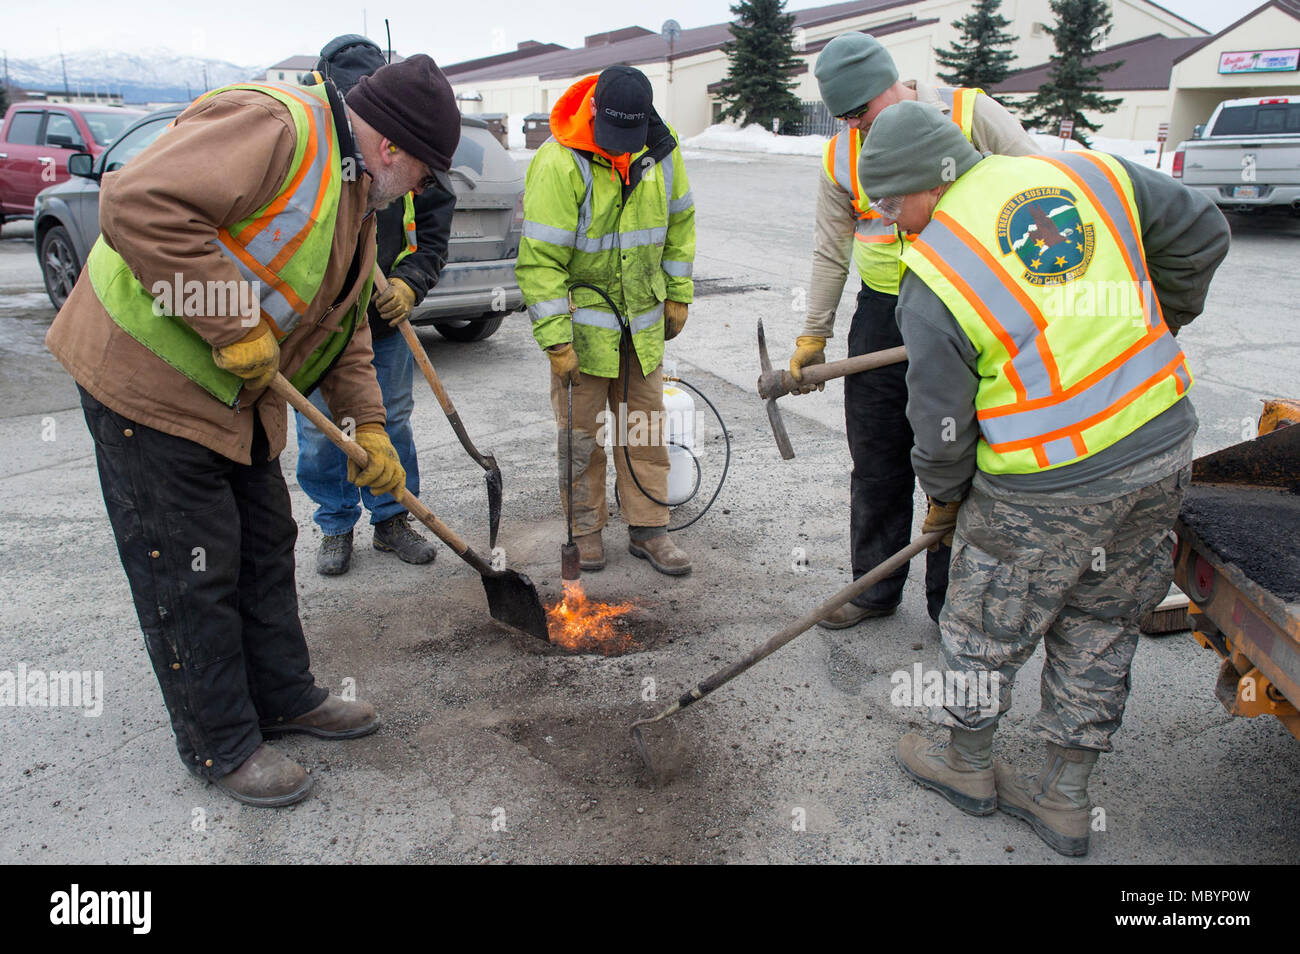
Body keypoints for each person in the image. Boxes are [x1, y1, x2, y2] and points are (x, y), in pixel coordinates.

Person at [45, 55, 461, 807]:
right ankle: (221, 743)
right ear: (394, 146)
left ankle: (282, 695)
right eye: (427, 172)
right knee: (192, 568)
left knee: (266, 544)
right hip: (149, 380)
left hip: (234, 398)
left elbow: (346, 326)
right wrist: (232, 320)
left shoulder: (357, 197)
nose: (424, 190)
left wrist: (370, 426)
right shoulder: (278, 128)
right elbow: (137, 204)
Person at [857, 101, 1229, 855]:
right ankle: (1065, 797)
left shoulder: (933, 274)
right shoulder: (1084, 170)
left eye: (895, 204)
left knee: (985, 620)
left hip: (1047, 485)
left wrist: (947, 497)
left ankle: (966, 762)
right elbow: (1203, 231)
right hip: (1158, 449)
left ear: (933, 180)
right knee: (1103, 622)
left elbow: (941, 424)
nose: (895, 224)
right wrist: (1162, 319)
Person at [789, 32, 1038, 629]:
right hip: (882, 315)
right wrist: (813, 335)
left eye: (862, 112)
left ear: (891, 84)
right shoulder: (841, 155)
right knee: (876, 457)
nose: (857, 128)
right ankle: (873, 588)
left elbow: (1037, 188)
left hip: (968, 309)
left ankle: (950, 603)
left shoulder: (969, 114)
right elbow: (830, 253)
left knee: (956, 455)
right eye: (846, 118)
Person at [516, 66, 696, 575]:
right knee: (582, 437)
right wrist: (555, 340)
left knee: (644, 428)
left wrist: (678, 293)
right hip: (582, 333)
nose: (620, 148)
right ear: (593, 109)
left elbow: (681, 221)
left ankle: (649, 529)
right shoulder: (558, 163)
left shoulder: (662, 151)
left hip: (642, 326)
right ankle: (586, 531)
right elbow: (540, 261)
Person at [293, 35, 457, 576]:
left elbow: (432, 236)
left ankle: (391, 517)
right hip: (317, 321)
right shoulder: (315, 142)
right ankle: (335, 523)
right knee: (323, 430)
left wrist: (411, 283)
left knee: (390, 421)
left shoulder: (411, 149)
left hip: (383, 319)